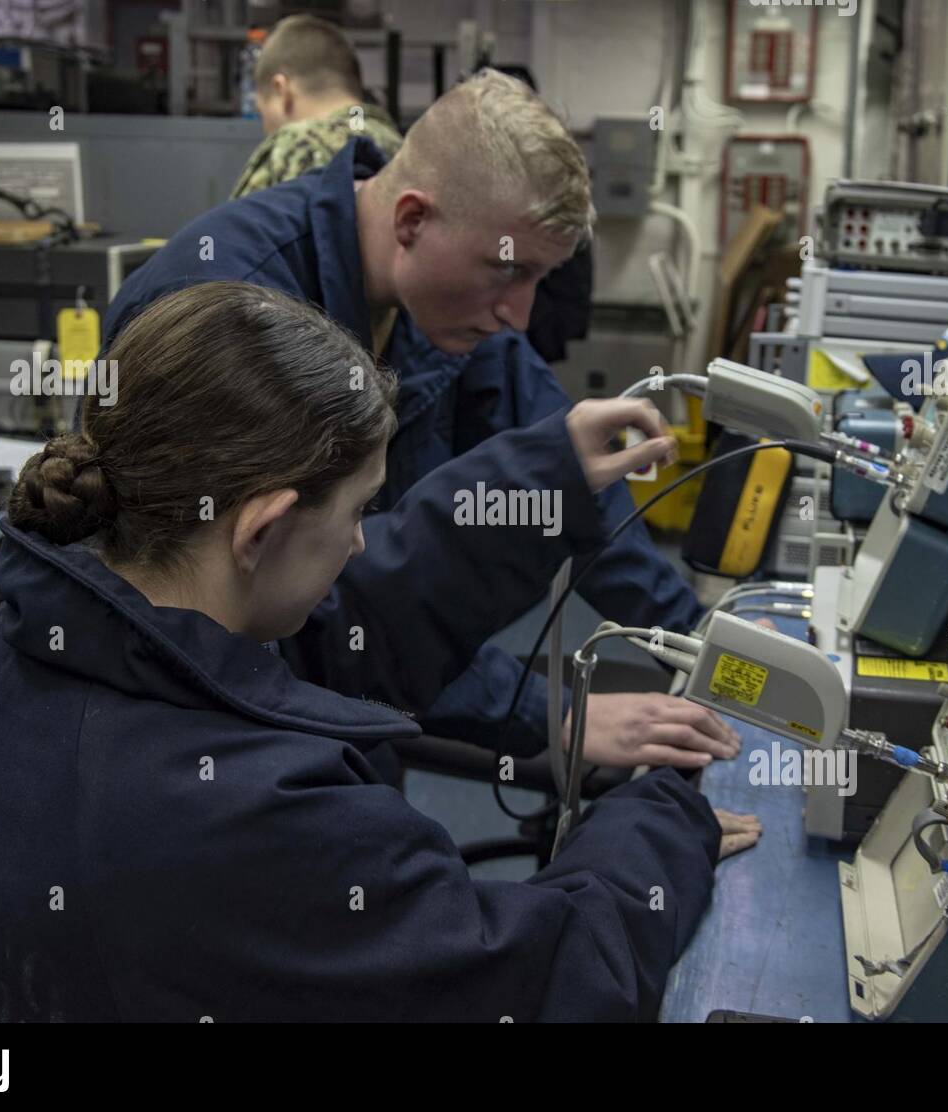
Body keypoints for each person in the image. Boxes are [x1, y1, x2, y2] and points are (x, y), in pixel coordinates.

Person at [0, 282, 761, 1022]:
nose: (361, 543)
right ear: (262, 529)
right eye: (359, 512)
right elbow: (544, 982)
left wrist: (545, 473)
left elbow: (345, 627)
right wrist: (658, 825)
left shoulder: (3, 654)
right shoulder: (267, 819)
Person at [106, 69, 736, 773]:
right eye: (507, 272)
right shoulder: (230, 311)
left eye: (538, 278)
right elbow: (290, 624)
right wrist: (546, 711)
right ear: (410, 221)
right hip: (220, 739)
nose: (519, 314)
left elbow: (581, 484)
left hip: (366, 698)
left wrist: (711, 650)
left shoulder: (446, 307)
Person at [232, 13, 403, 200]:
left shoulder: (295, 144)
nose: (265, 128)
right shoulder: (400, 146)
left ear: (282, 90)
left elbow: (236, 218)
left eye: (262, 112)